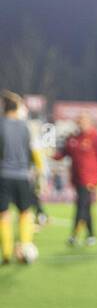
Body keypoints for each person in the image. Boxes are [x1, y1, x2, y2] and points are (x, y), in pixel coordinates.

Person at [54, 114, 97, 247]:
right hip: (77, 178)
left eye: (83, 121)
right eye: (79, 121)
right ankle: (91, 235)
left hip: (89, 178)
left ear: (90, 122)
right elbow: (63, 153)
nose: (81, 124)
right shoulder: (74, 138)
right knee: (86, 207)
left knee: (80, 206)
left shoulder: (96, 137)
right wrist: (51, 155)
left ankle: (74, 236)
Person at [0, 91, 43, 264]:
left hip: (3, 175)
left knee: (3, 215)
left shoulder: (1, 125)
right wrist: (38, 171)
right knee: (25, 212)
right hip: (22, 176)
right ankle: (25, 247)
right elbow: (33, 152)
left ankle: (7, 254)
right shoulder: (26, 127)